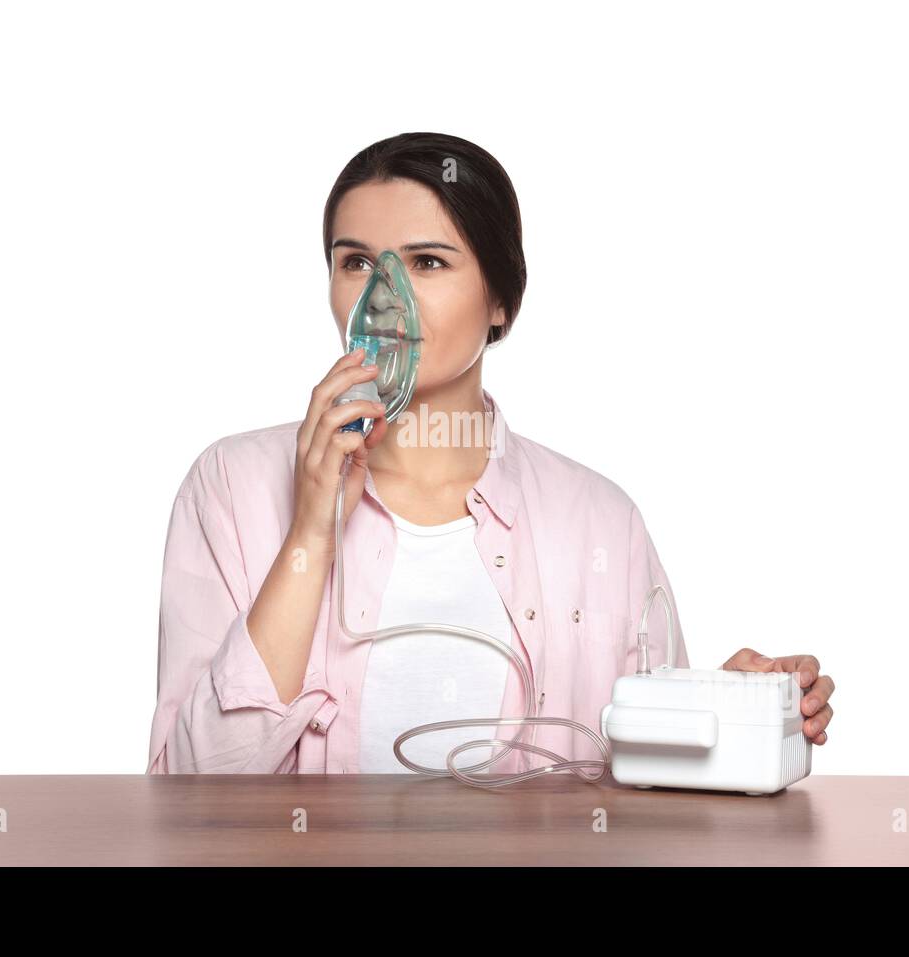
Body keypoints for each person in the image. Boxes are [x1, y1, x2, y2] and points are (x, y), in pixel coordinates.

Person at [146, 132, 835, 776]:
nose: (386, 299)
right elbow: (188, 790)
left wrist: (732, 713)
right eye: (356, 262)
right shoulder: (231, 487)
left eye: (427, 262)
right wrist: (308, 536)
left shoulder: (600, 521)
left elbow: (642, 793)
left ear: (501, 299)